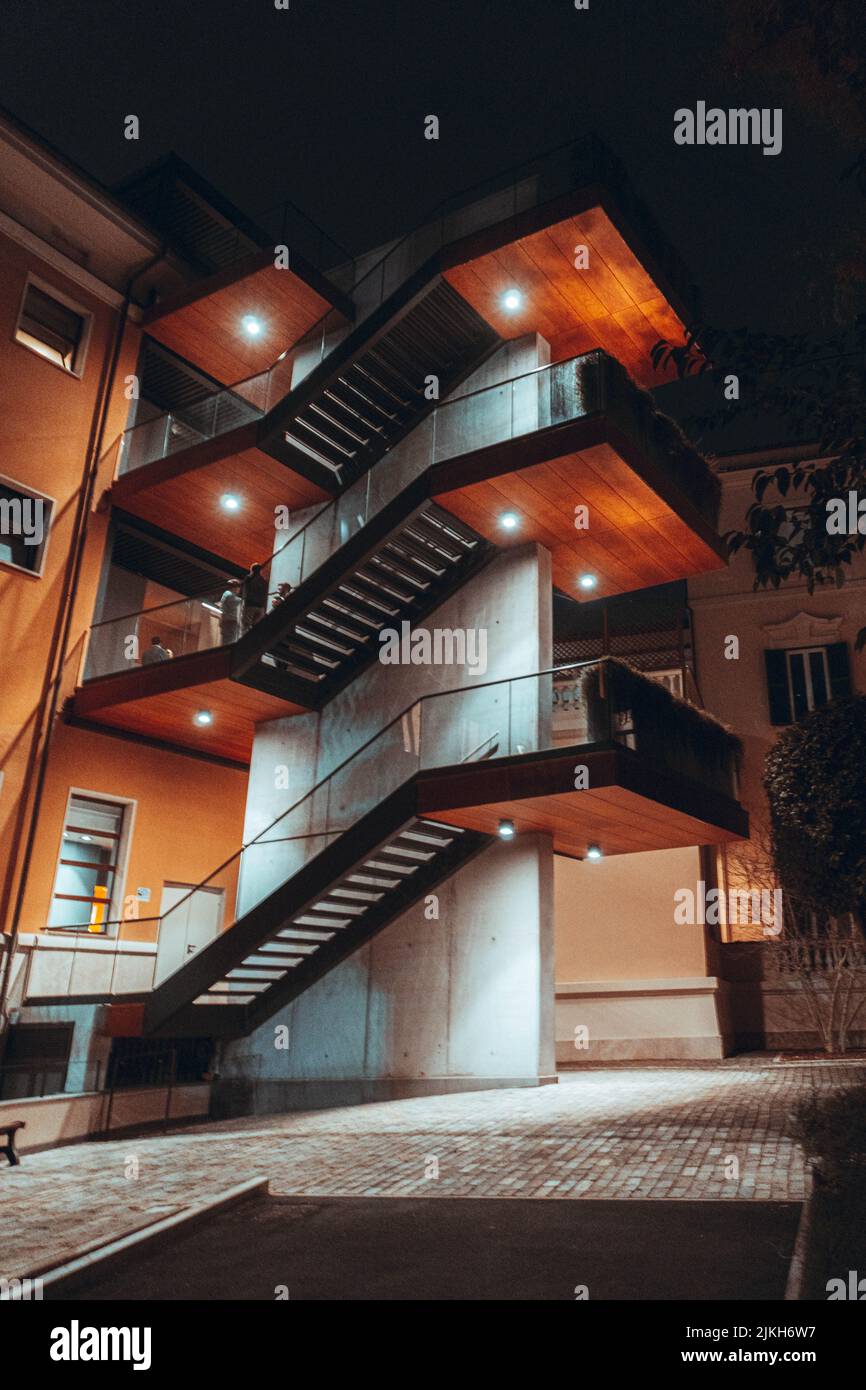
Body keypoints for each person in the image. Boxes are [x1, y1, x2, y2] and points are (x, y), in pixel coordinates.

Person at [242, 562, 268, 631]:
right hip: (261, 607)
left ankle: (244, 640)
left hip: (250, 605)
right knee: (256, 628)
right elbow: (265, 596)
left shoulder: (249, 578)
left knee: (245, 626)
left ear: (252, 570)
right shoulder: (264, 582)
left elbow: (245, 590)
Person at [219, 578, 243, 645]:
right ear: (235, 587)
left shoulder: (228, 594)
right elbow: (234, 604)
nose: (239, 589)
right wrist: (243, 600)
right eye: (238, 587)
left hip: (228, 621)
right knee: (229, 641)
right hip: (229, 621)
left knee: (229, 640)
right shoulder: (228, 594)